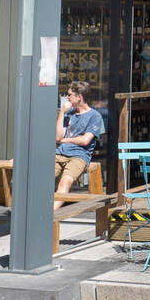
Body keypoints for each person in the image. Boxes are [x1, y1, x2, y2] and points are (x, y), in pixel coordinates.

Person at [54, 81, 105, 210]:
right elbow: (58, 137)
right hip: (59, 153)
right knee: (41, 178)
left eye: (69, 95)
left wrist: (65, 140)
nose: (67, 97)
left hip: (78, 156)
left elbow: (85, 140)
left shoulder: (94, 116)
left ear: (79, 97)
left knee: (65, 182)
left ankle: (49, 216)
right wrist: (61, 113)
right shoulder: (68, 113)